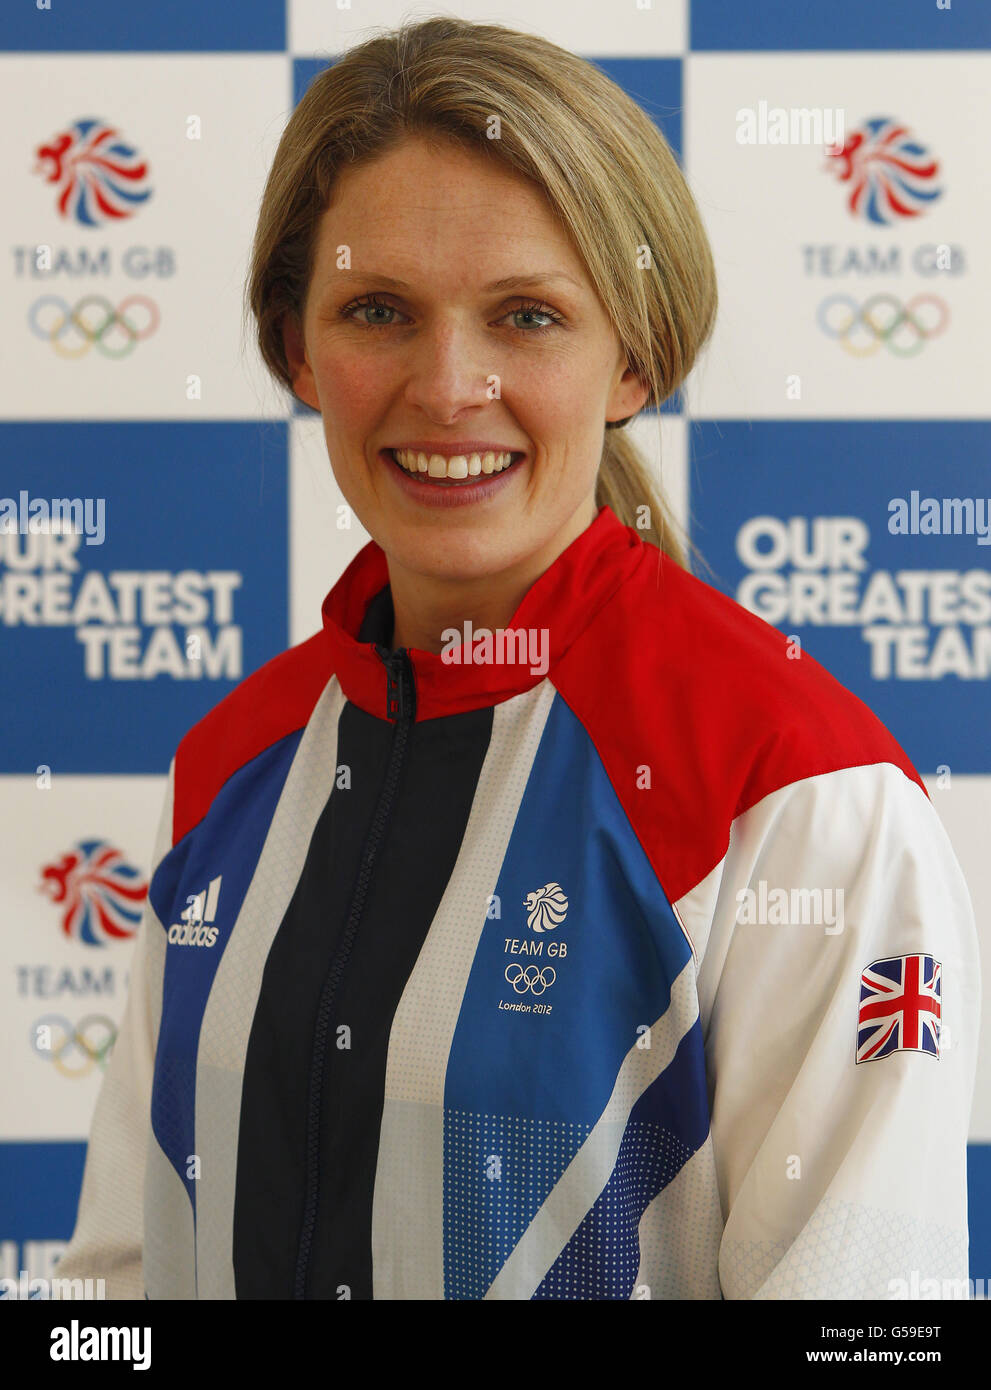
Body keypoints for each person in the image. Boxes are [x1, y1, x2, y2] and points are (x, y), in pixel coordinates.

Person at [57, 15, 979, 1300]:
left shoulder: (794, 786)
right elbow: (119, 1286)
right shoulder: (235, 760)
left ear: (635, 359)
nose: (447, 388)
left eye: (527, 316)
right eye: (376, 310)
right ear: (294, 349)